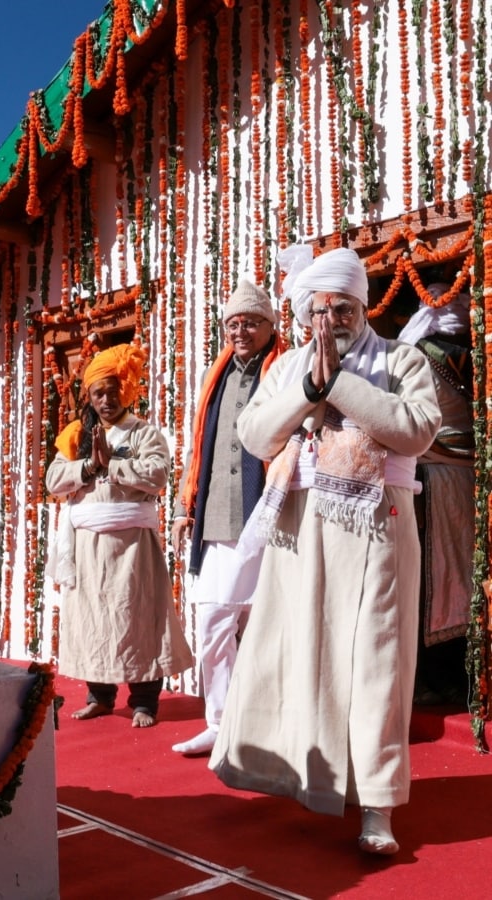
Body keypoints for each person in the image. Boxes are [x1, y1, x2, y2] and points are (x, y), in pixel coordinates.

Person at [208, 247, 442, 856]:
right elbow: (256, 435)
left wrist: (340, 383)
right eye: (319, 308)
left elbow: (415, 430)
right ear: (306, 312)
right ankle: (300, 777)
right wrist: (311, 384)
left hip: (377, 531)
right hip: (300, 529)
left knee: (377, 666)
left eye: (342, 307)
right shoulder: (287, 370)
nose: (331, 318)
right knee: (298, 655)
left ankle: (378, 807)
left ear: (363, 307)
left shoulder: (400, 359)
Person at [45, 342, 193, 728]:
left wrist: (113, 465)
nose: (107, 399)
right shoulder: (77, 435)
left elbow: (157, 476)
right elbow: (54, 479)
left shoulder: (143, 433)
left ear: (124, 390)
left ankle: (144, 701)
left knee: (139, 616)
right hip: (87, 546)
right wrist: (90, 468)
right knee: (93, 617)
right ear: (90, 397)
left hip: (132, 547)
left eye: (113, 390)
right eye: (99, 392)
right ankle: (100, 696)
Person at [171, 276, 284, 756]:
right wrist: (183, 506)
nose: (241, 331)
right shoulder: (212, 377)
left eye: (251, 323)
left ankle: (271, 725)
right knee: (213, 620)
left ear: (269, 326)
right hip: (216, 517)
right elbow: (198, 449)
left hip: (273, 515)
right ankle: (220, 722)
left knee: (268, 626)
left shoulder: (286, 368)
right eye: (233, 323)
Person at [399, 285, 474, 704]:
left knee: (433, 579)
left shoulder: (417, 352)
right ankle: (448, 676)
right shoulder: (472, 348)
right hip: (457, 480)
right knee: (452, 576)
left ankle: (432, 677)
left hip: (433, 479)